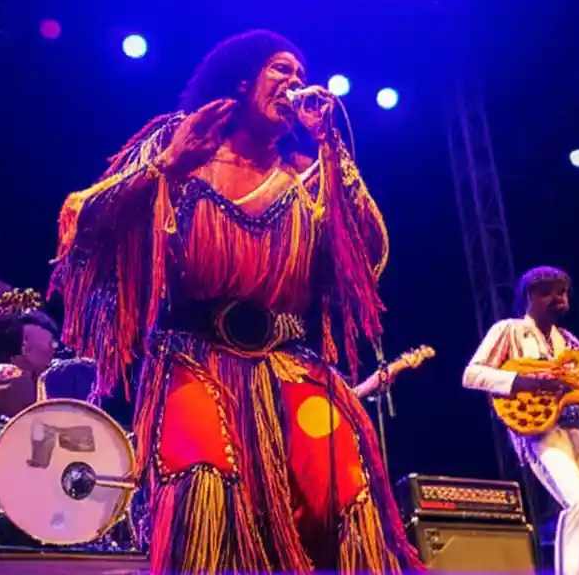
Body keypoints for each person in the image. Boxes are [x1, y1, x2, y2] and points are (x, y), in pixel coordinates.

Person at [51, 30, 422, 573]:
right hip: (193, 358)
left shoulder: (306, 173)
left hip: (288, 362)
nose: (295, 83)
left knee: (343, 480)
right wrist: (165, 167)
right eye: (280, 70)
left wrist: (334, 153)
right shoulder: (181, 145)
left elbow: (368, 257)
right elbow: (82, 224)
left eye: (299, 74)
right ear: (244, 79)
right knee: (202, 479)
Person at [463, 266, 579, 575]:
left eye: (561, 291)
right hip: (541, 433)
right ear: (527, 297)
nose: (557, 297)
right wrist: (527, 381)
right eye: (546, 291)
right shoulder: (508, 330)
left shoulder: (572, 344)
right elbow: (472, 374)